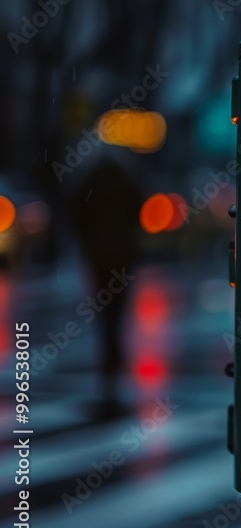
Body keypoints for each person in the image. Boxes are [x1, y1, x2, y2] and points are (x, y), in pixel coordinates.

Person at [71, 158, 142, 419]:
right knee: (117, 309)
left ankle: (109, 359)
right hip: (122, 254)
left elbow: (76, 213)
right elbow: (139, 211)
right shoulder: (126, 180)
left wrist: (88, 242)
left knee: (104, 311)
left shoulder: (90, 181)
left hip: (98, 255)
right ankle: (114, 357)